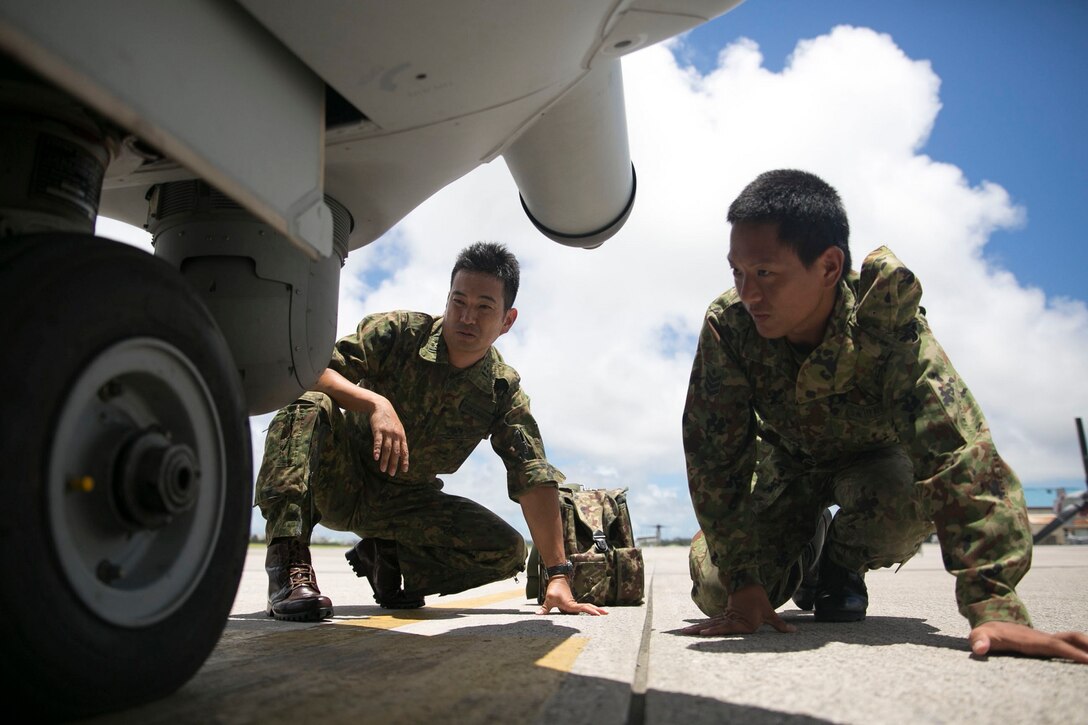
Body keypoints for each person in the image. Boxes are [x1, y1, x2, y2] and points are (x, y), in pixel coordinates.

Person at [680, 169, 1088, 663]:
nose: (749, 293)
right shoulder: (730, 326)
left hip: (874, 463)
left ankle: (841, 562)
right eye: (737, 272)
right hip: (785, 465)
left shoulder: (884, 320)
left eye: (765, 273)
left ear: (829, 266)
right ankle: (803, 549)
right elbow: (715, 457)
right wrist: (743, 579)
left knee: (903, 499)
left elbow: (956, 449)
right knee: (716, 589)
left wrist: (993, 604)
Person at [255, 241, 606, 621]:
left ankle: (387, 562)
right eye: (459, 301)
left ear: (507, 320)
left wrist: (558, 574)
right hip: (336, 478)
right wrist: (374, 403)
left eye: (484, 307)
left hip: (404, 505)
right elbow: (312, 368)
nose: (467, 317)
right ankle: (287, 565)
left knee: (505, 550)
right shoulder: (399, 333)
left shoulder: (501, 389)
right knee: (308, 400)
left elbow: (531, 473)